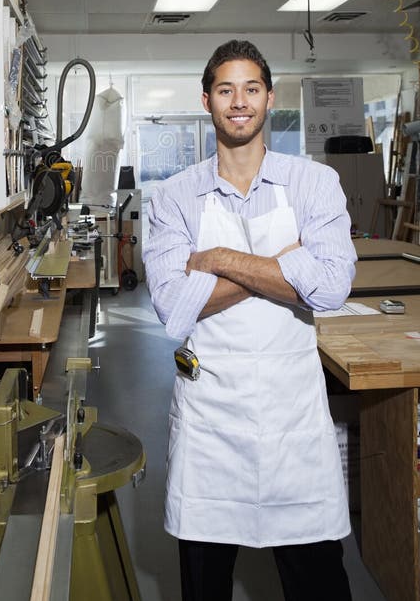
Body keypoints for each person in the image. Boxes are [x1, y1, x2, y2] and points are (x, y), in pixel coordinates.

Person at [143, 40, 357, 601]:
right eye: (225, 89)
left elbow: (331, 287)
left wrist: (219, 260)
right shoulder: (174, 197)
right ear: (207, 100)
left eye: (251, 89)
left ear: (269, 97)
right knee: (205, 585)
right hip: (211, 420)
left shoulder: (314, 183)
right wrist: (286, 264)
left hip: (293, 420)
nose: (239, 102)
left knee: (319, 582)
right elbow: (173, 305)